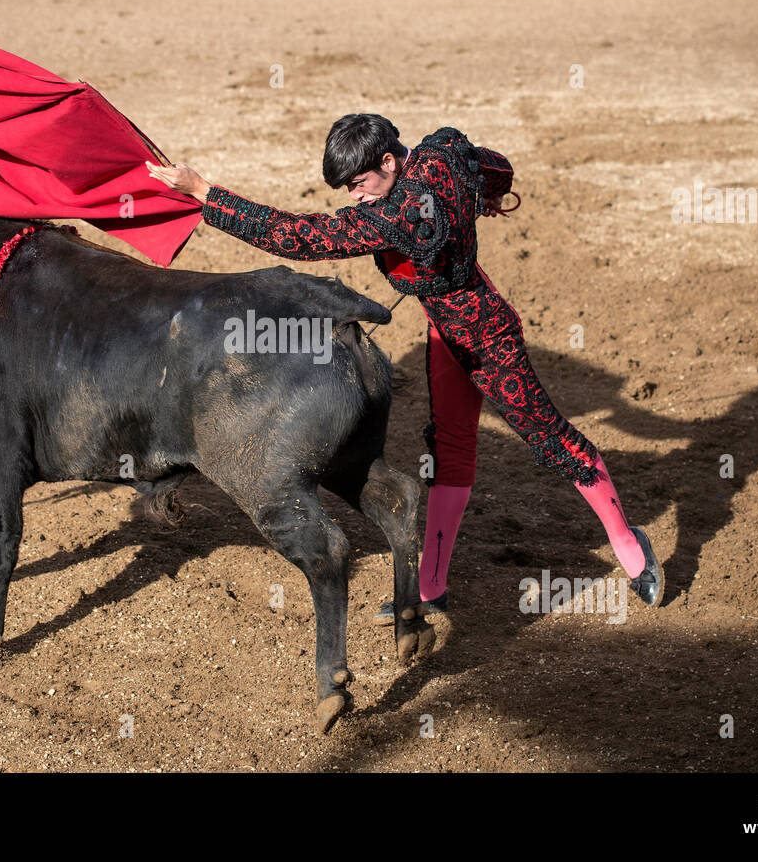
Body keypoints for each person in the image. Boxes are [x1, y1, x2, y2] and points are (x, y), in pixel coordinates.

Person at [146, 114, 663, 619]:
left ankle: (627, 542)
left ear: (389, 161)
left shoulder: (396, 216)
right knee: (450, 451)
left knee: (548, 435)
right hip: (446, 335)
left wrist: (207, 193)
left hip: (489, 337)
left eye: (358, 183)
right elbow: (497, 165)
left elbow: (296, 235)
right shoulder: (442, 154)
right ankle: (432, 589)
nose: (354, 196)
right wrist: (489, 197)